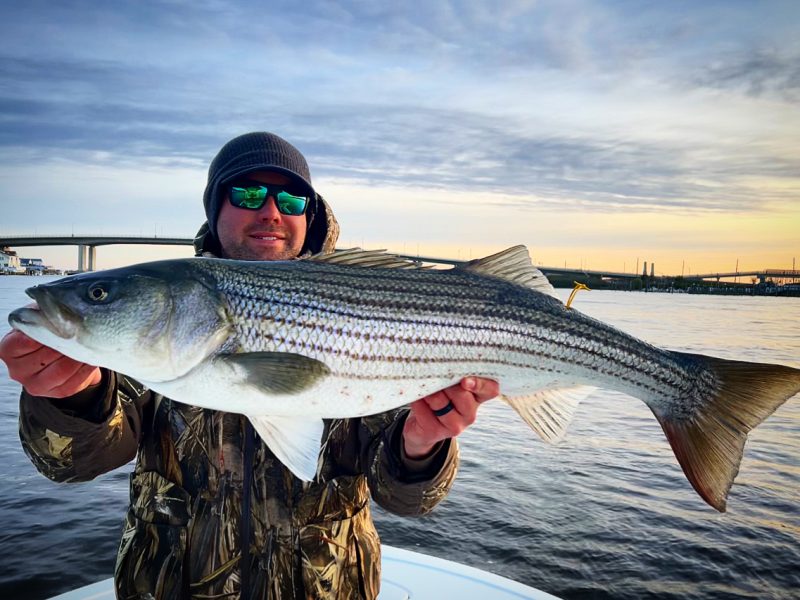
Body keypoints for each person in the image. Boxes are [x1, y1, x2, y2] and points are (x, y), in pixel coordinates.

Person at [0, 132, 499, 599]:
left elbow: (409, 501)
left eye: (291, 200)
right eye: (248, 194)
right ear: (216, 207)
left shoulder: (372, 310)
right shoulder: (141, 344)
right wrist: (72, 398)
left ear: (310, 216)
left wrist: (421, 446)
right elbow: (70, 466)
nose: (272, 212)